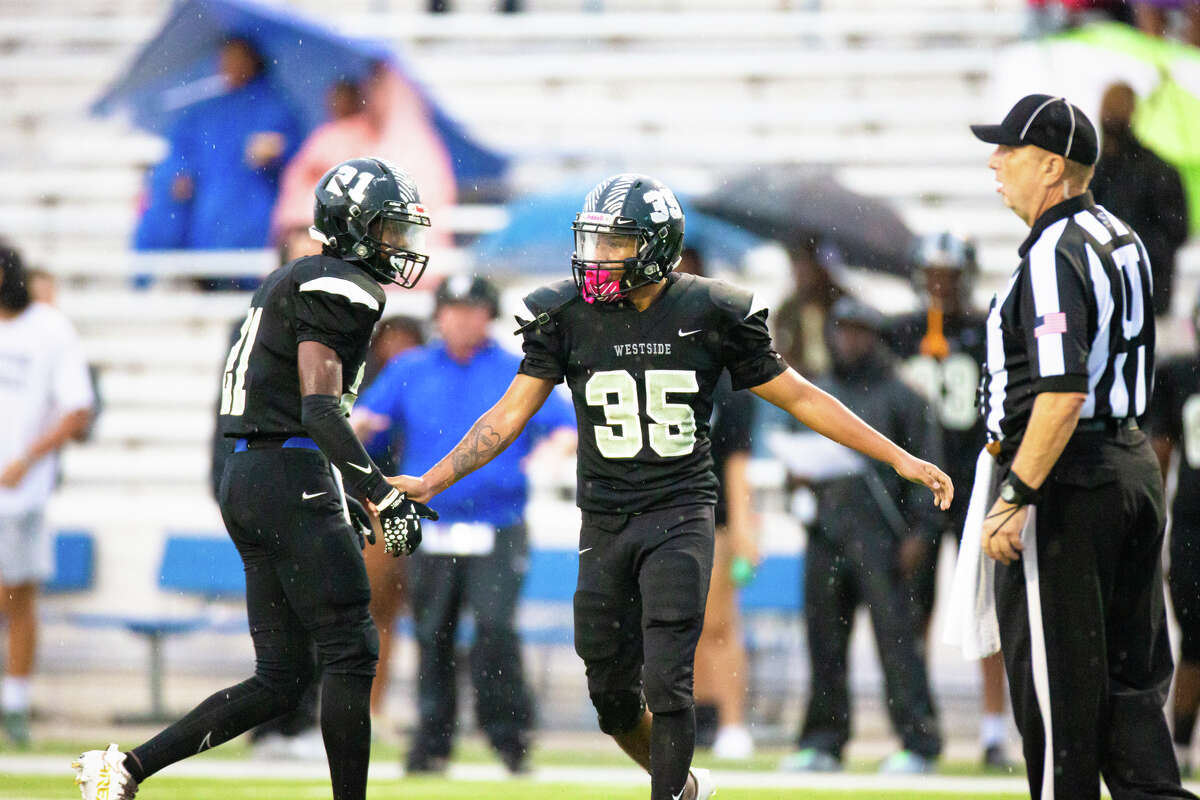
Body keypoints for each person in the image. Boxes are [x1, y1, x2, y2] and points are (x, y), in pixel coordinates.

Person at [389, 173, 954, 800]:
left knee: (668, 678)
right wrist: (431, 480)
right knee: (610, 693)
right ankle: (683, 785)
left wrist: (898, 457)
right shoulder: (565, 313)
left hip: (680, 512)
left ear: (656, 246)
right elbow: (506, 418)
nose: (598, 256)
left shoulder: (711, 311)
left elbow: (800, 397)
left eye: (615, 243)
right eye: (594, 241)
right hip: (604, 518)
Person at [72, 157, 439, 800]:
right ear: (352, 227)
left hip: (250, 474)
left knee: (282, 675)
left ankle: (124, 769)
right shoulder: (342, 286)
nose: (397, 244)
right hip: (288, 472)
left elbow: (292, 408)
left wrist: (345, 491)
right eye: (386, 229)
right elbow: (318, 409)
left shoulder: (288, 281)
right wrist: (379, 493)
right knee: (352, 650)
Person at [970, 94, 1195, 799]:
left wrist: (1016, 494)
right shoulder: (1121, 237)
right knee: (1132, 706)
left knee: (1058, 709)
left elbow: (1062, 392)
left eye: (1010, 149)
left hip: (1067, 481)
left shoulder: (1054, 253)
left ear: (1053, 166)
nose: (995, 162)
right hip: (1130, 463)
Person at [353, 274, 574, 773]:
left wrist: (553, 449)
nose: (460, 320)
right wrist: (355, 428)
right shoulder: (411, 368)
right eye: (452, 309)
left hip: (498, 523)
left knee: (495, 628)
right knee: (432, 633)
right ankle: (432, 741)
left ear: (488, 315)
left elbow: (563, 424)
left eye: (471, 309)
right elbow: (369, 422)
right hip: (430, 524)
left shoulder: (514, 370)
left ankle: (510, 739)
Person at [780, 296, 944, 775]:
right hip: (826, 533)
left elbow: (928, 468)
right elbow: (794, 455)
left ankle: (918, 741)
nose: (849, 340)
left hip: (884, 539)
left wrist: (921, 534)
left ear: (875, 337)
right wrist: (799, 478)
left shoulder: (904, 397)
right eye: (842, 329)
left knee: (898, 644)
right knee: (824, 644)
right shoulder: (817, 389)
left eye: (859, 331)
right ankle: (824, 741)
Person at [886, 232, 1011, 769]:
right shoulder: (900, 333)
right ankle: (918, 724)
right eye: (933, 274)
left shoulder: (987, 331)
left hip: (970, 481)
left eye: (949, 275)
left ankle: (993, 728)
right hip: (918, 490)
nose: (940, 285)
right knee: (913, 612)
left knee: (986, 605)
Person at [0, 243, 94, 747]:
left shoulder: (49, 329)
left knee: (16, 596)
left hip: (19, 493)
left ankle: (15, 704)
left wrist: (27, 459)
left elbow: (78, 410)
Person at [674, 248, 758, 761]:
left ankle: (731, 722)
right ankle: (695, 717)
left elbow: (737, 459)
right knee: (670, 627)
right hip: (661, 508)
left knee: (718, 623)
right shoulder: (645, 356)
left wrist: (744, 524)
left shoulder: (725, 374)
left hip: (711, 511)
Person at [137, 37, 302, 253]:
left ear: (254, 60)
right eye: (226, 57)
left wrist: (277, 151)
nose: (230, 64)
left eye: (238, 57)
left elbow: (297, 157)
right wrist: (178, 173)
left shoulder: (275, 108)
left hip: (256, 222)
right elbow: (179, 155)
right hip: (208, 225)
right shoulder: (204, 112)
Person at [271, 61, 456, 253]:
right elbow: (299, 191)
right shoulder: (337, 135)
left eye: (381, 86)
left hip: (398, 252)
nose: (374, 94)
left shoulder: (418, 146)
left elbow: (418, 208)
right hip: (339, 248)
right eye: (372, 85)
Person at [1147, 291, 1200, 778]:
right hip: (1193, 523)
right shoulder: (1180, 375)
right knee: (1195, 638)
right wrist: (1152, 529)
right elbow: (1160, 455)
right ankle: (1180, 745)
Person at [1091, 82, 1189, 318]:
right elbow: (1177, 230)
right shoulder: (1159, 169)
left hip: (1123, 293)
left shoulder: (1097, 174)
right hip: (1148, 291)